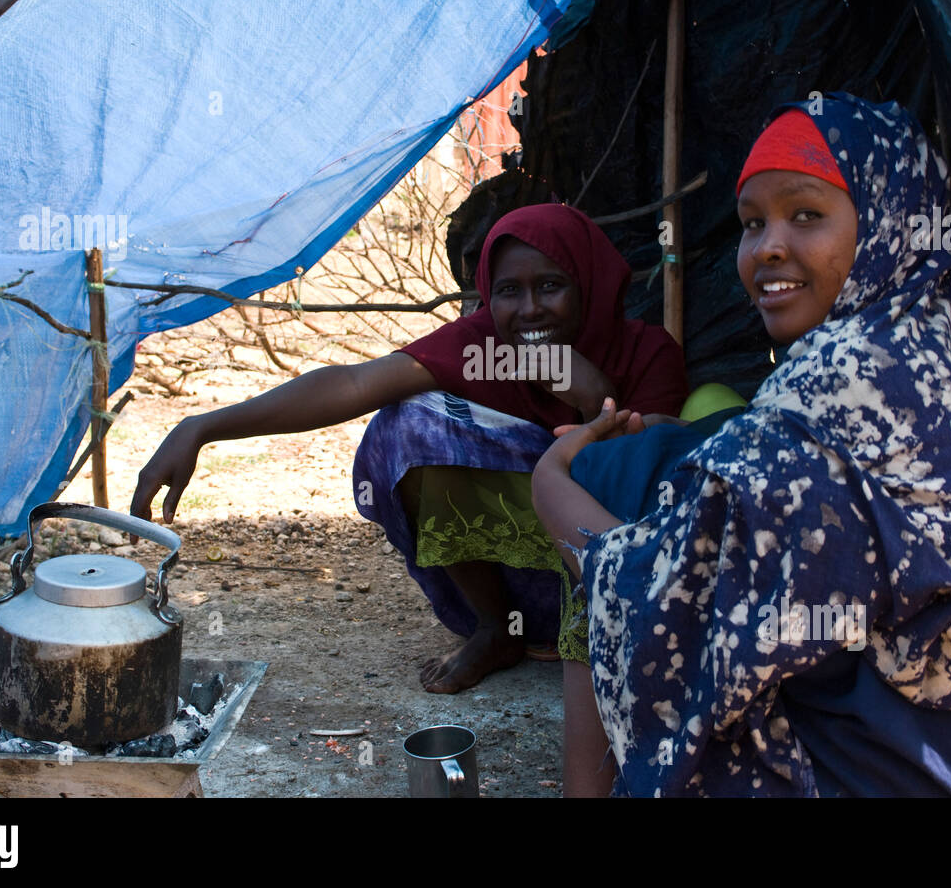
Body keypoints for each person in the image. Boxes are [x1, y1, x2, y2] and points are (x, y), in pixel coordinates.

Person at [533, 93, 951, 797]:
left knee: (610, 483)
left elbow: (661, 602)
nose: (767, 245)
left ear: (889, 218)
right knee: (678, 452)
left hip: (893, 770)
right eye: (750, 223)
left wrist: (553, 478)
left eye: (806, 214)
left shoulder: (837, 378)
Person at [131, 203, 687, 695]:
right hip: (522, 582)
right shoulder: (482, 345)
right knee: (408, 423)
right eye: (509, 291)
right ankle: (496, 630)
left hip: (615, 592)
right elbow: (354, 384)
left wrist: (592, 397)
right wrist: (201, 426)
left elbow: (657, 471)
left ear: (588, 284)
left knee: (636, 459)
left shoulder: (647, 353)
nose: (529, 310)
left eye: (551, 286)